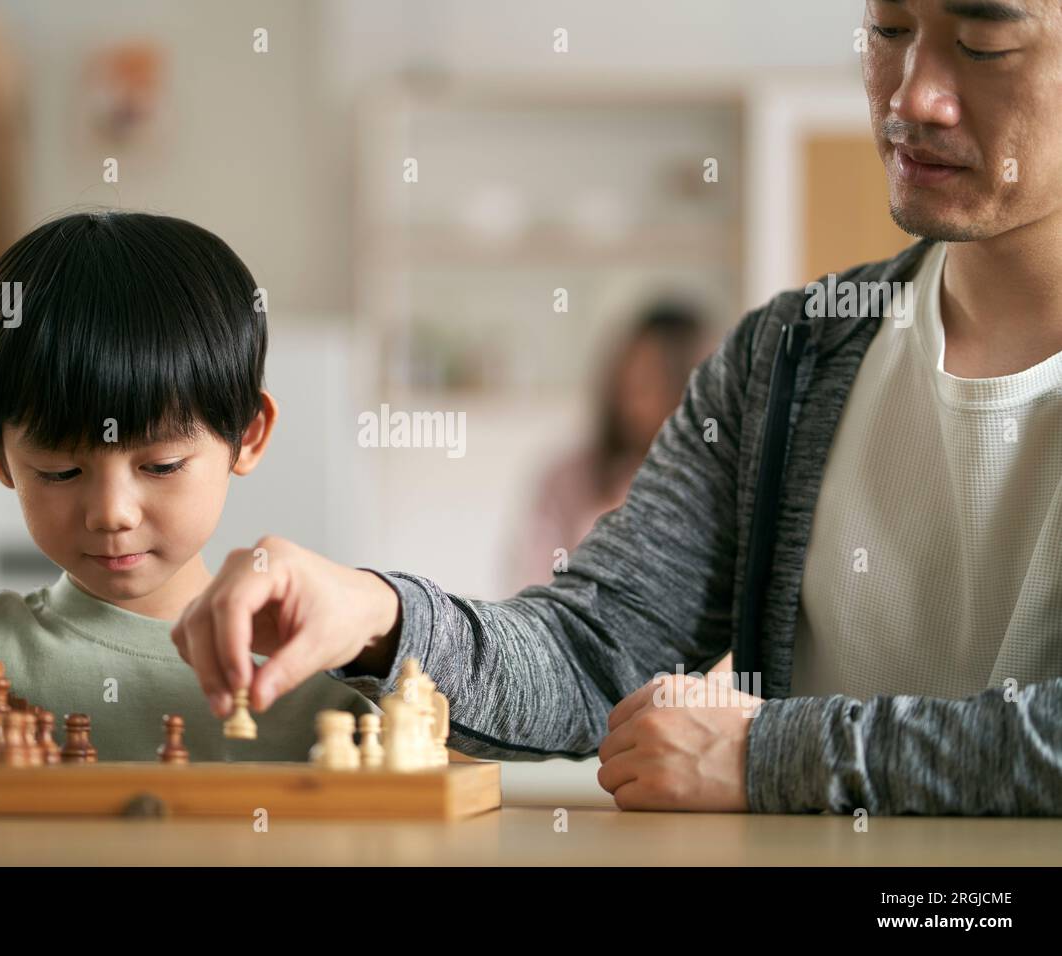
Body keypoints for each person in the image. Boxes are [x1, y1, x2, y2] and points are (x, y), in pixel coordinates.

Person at [170, 0, 1062, 815]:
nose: (914, 99)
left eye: (984, 41)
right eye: (888, 31)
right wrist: (374, 615)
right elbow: (593, 653)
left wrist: (771, 755)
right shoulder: (789, 357)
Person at [0, 211, 376, 799]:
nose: (111, 512)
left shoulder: (321, 663)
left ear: (248, 435)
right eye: (60, 471)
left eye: (160, 466)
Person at [510, 301, 713, 591]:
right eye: (626, 382)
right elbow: (526, 589)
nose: (631, 403)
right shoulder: (566, 478)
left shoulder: (716, 487)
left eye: (649, 384)